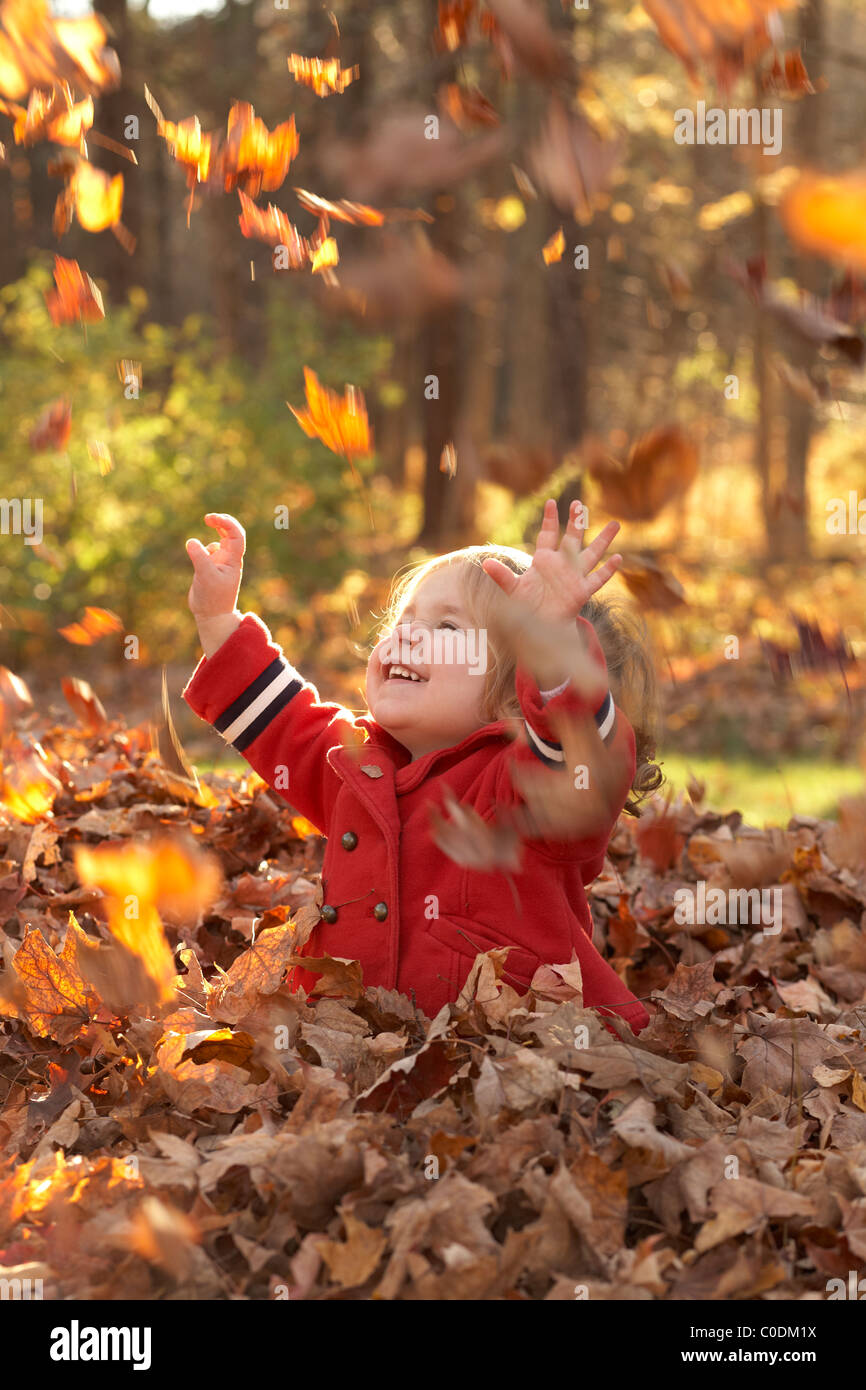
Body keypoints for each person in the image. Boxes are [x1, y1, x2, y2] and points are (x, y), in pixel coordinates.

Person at [182, 500, 661, 1032]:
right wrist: (218, 619)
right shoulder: (361, 764)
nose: (407, 635)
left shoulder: (522, 785)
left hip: (509, 1057)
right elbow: (283, 724)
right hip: (354, 1049)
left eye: (448, 628)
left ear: (513, 695)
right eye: (404, 621)